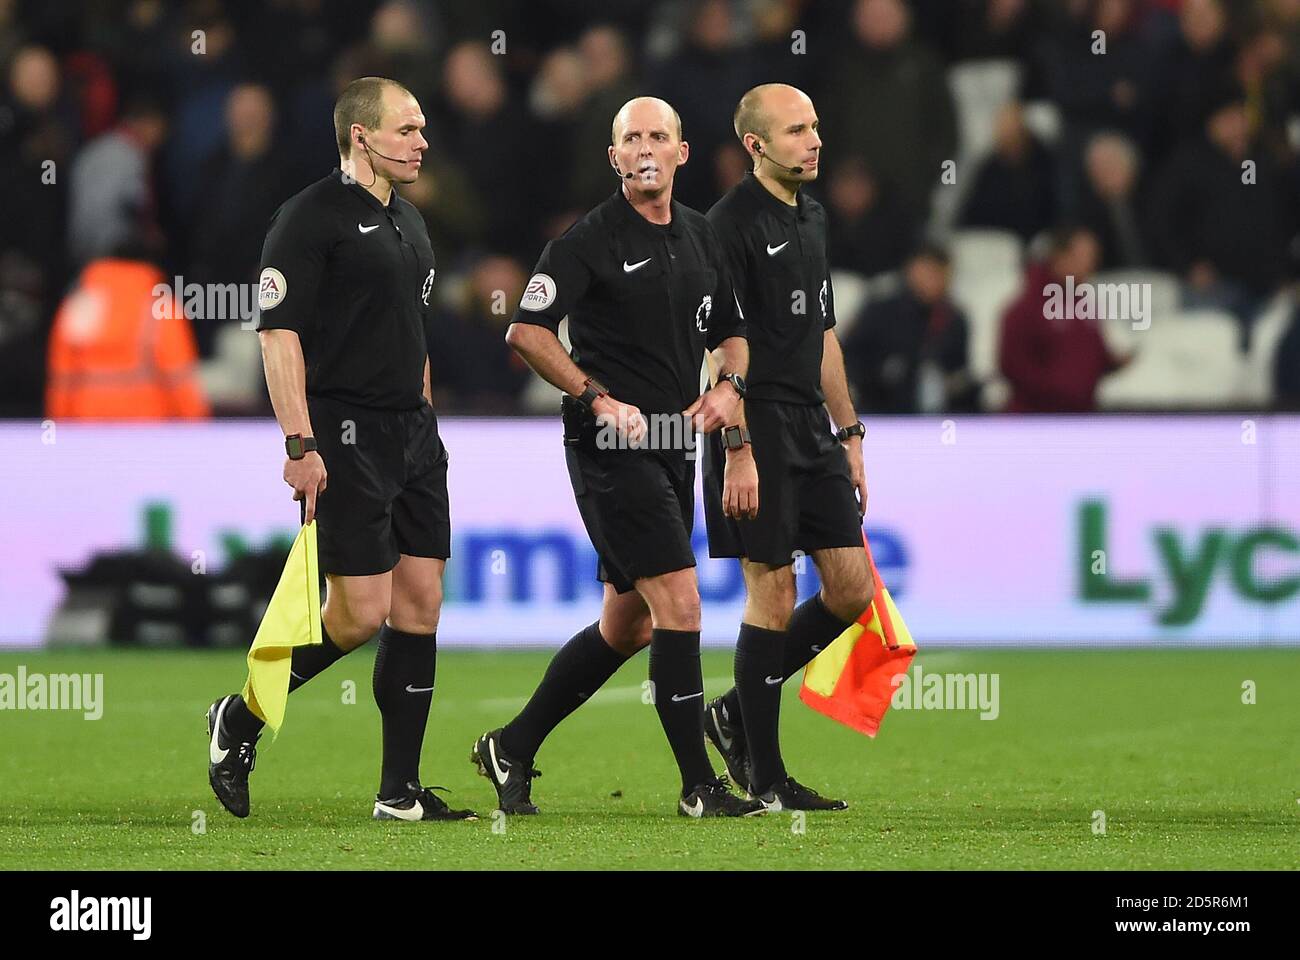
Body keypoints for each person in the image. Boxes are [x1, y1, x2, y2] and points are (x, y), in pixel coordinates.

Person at [472, 97, 763, 818]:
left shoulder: (702, 238)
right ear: (613, 158)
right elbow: (527, 332)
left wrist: (731, 390)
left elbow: (731, 335)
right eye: (631, 137)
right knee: (681, 602)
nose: (645, 147)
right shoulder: (587, 242)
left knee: (627, 624)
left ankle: (512, 743)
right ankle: (700, 786)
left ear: (681, 152)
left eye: (658, 135)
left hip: (673, 443)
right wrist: (596, 396)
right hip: (609, 446)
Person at [205, 76, 475, 823]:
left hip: (413, 435)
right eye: (407, 129)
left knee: (421, 604)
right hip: (345, 432)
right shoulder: (308, 218)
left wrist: (424, 416)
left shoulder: (411, 222)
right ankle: (241, 717)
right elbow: (277, 332)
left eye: (422, 129)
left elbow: (410, 333)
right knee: (357, 616)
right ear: (362, 136)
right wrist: (300, 440)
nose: (422, 141)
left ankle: (399, 792)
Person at [700, 84, 874, 811]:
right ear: (756, 145)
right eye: (797, 129)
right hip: (756, 424)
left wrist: (851, 432)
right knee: (772, 590)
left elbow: (823, 333)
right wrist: (738, 450)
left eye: (816, 125)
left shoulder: (812, 216)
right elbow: (719, 354)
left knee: (852, 588)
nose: (814, 140)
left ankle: (735, 711)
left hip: (810, 423)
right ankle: (768, 778)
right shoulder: (727, 226)